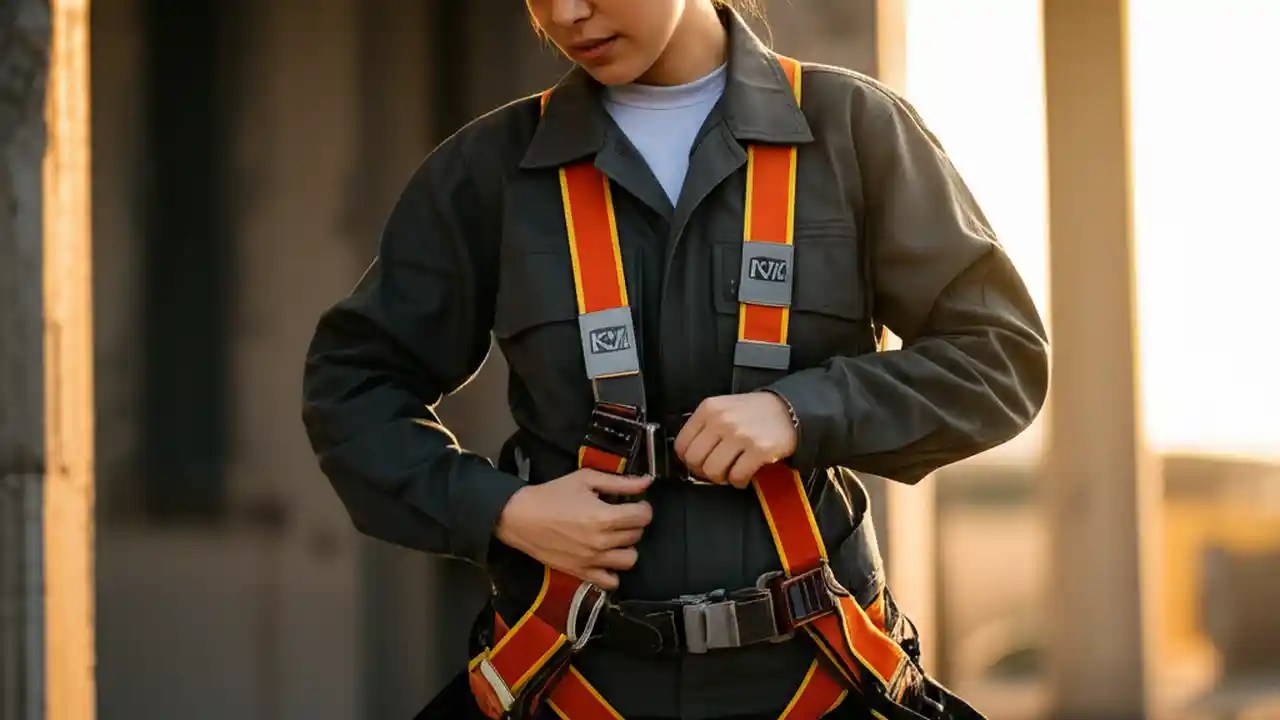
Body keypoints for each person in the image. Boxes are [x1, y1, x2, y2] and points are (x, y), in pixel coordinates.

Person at [301, 1, 1049, 718]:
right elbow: (353, 387)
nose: (565, 14)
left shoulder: (854, 131)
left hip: (817, 681)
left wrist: (802, 411)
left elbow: (997, 358)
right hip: (573, 682)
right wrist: (502, 510)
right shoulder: (491, 169)